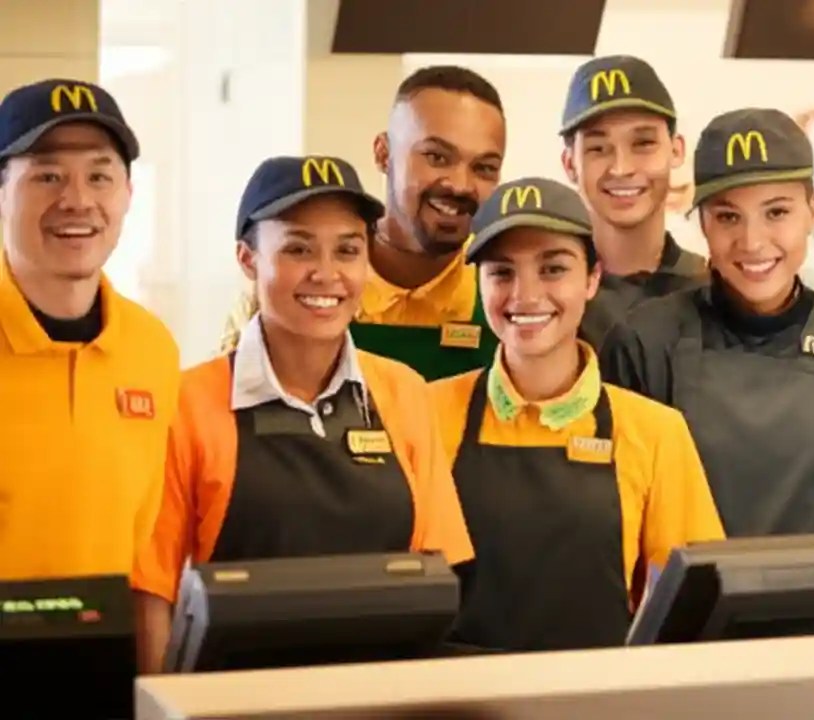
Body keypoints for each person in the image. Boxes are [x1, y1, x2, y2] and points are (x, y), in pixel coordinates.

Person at [131, 156, 474, 673]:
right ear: (248, 260)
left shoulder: (403, 392)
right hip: (232, 705)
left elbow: (438, 571)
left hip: (377, 699)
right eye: (297, 248)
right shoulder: (186, 402)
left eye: (348, 250)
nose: (327, 273)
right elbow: (152, 592)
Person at [601, 108, 814, 539]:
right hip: (680, 604)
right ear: (702, 222)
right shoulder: (644, 343)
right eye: (727, 217)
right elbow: (625, 525)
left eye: (776, 213)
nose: (753, 242)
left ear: (812, 212)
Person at [428, 177, 724, 652]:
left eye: (553, 269)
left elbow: (691, 608)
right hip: (456, 698)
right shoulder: (426, 415)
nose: (525, 296)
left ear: (591, 279)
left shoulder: (656, 432)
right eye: (502, 273)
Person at [0, 78, 180, 580]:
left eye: (99, 177)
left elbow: (145, 544)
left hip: (103, 653)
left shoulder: (151, 349)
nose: (77, 200)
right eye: (48, 176)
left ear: (127, 194)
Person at [222, 66, 506, 381]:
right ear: (384, 154)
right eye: (437, 157)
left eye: (484, 167)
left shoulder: (506, 289)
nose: (460, 184)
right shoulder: (294, 291)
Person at [559, 55, 708, 348]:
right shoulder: (548, 297)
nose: (621, 168)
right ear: (570, 165)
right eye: (598, 148)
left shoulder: (710, 290)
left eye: (643, 144)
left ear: (676, 150)